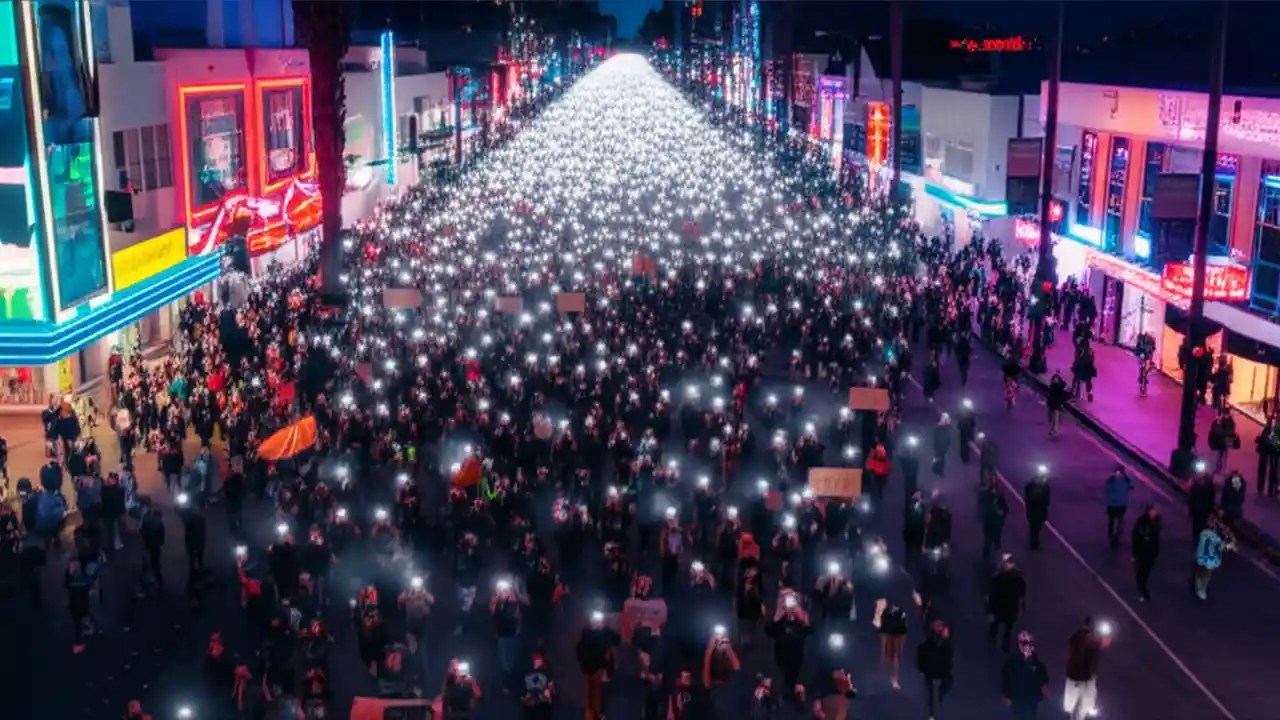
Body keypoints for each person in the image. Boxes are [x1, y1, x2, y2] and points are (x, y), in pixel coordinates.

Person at [576, 611, 619, 720]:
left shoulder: (605, 633)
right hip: (590, 671)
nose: (597, 622)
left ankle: (600, 714)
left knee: (601, 697)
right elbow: (583, 651)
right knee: (592, 698)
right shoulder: (587, 635)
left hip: (601, 671)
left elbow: (616, 640)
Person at [1063, 617, 1108, 720]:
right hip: (1083, 678)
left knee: (1073, 707)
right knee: (1084, 706)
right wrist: (1100, 643)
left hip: (1076, 677)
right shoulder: (1089, 641)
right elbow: (1091, 647)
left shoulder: (1075, 638)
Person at [1001, 631, 1049, 720]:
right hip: (1017, 698)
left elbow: (1042, 677)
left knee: (1030, 715)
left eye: (1030, 643)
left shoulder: (1038, 665)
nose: (1028, 647)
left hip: (1031, 698)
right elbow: (1006, 680)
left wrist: (1044, 686)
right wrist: (1006, 694)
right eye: (1024, 643)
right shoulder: (1011, 664)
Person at [986, 554, 1026, 654]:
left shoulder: (1011, 578)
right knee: (1001, 624)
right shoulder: (1000, 577)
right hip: (1003, 605)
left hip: (1006, 605)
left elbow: (1022, 592)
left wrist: (1022, 603)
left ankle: (1001, 642)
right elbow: (991, 592)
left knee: (1005, 625)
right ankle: (998, 640)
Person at [916, 619, 953, 720]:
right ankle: (932, 713)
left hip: (935, 671)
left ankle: (932, 713)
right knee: (933, 692)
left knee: (932, 692)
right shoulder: (935, 642)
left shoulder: (931, 642)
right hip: (935, 670)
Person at [1194, 513, 1234, 601]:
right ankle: (1201, 589)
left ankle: (1199, 587)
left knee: (1201, 573)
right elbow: (1222, 546)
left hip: (1203, 557)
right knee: (1205, 574)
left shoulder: (1204, 533)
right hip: (1208, 558)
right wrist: (1230, 544)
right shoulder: (1213, 537)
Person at [1130, 505, 1161, 602]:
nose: (1153, 513)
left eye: (1155, 511)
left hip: (1151, 552)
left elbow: (1155, 539)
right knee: (1142, 572)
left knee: (1146, 572)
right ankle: (1142, 591)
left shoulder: (1157, 522)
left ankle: (1143, 589)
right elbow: (1136, 538)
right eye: (1152, 511)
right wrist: (1135, 553)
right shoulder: (1142, 522)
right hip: (1142, 551)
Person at [875, 599, 908, 690]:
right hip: (889, 632)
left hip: (897, 633)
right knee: (887, 657)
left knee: (895, 658)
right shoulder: (886, 610)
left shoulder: (900, 611)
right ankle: (884, 677)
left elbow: (904, 622)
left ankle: (893, 678)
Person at [1103, 465, 1132, 549]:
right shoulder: (1112, 480)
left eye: (1119, 472)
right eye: (1116, 472)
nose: (1117, 474)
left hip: (1121, 505)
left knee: (1119, 520)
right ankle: (1111, 535)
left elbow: (1130, 486)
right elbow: (1107, 487)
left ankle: (1116, 536)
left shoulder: (1125, 480)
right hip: (1113, 504)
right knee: (1112, 520)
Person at [1024, 468, 1051, 551]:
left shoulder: (1045, 487)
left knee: (1036, 527)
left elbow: (1047, 500)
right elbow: (1029, 498)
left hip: (1038, 512)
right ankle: (1034, 543)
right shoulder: (1031, 486)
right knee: (1034, 528)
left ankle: (1034, 542)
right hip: (1034, 511)